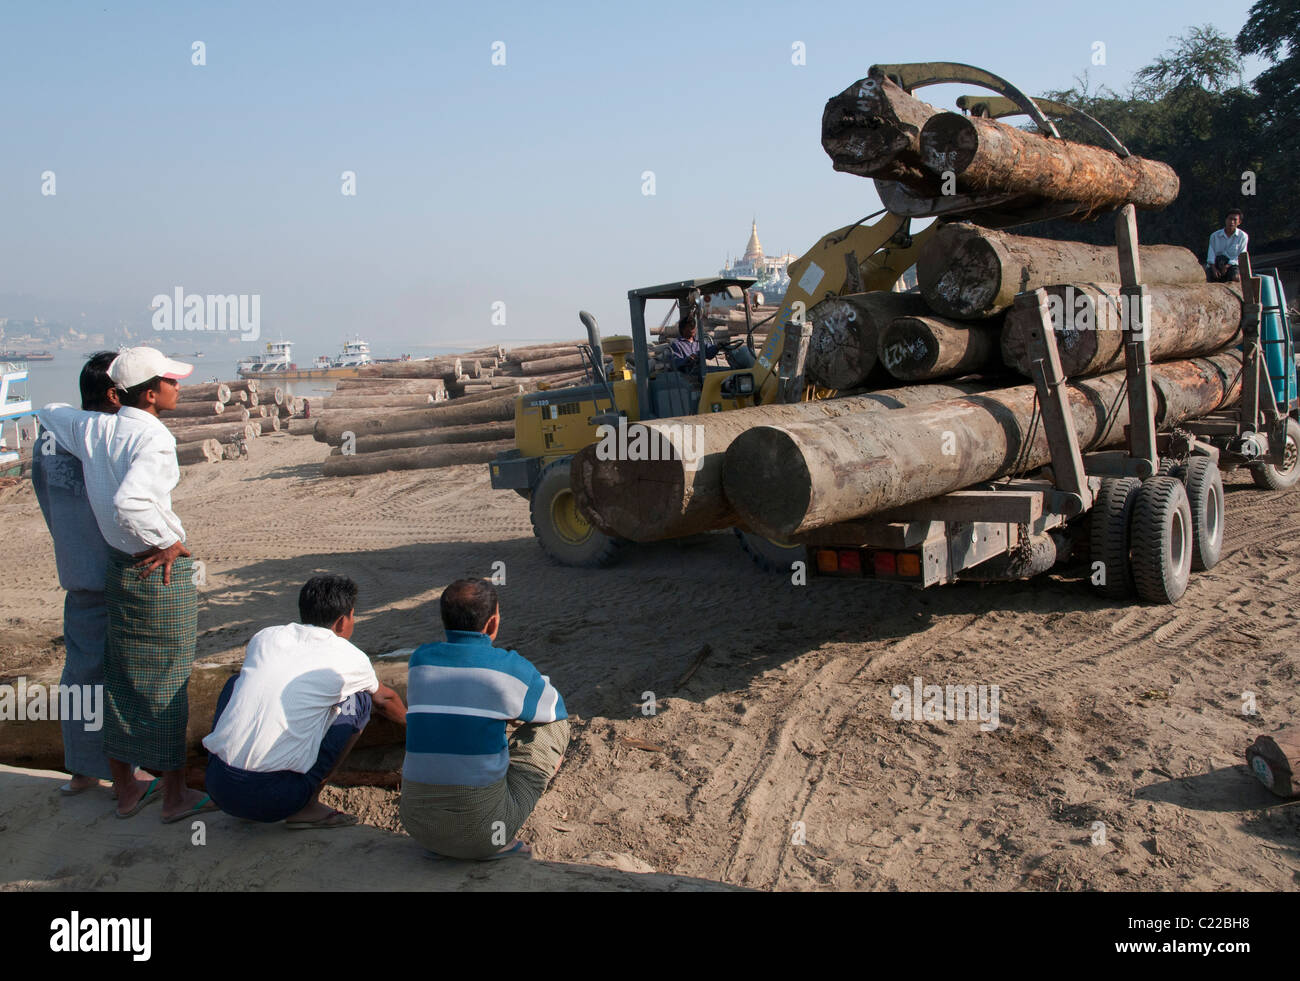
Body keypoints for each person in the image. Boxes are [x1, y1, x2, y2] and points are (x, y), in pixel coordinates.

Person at [36, 346, 212, 823]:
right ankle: (161, 790)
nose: (178, 388)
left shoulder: (75, 431)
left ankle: (100, 779)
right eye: (170, 382)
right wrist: (169, 540)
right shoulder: (136, 437)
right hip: (138, 568)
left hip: (89, 573)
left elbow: (49, 411)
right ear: (132, 393)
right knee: (158, 679)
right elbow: (128, 502)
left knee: (99, 677)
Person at [203, 575, 407, 828]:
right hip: (277, 799)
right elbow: (384, 699)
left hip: (216, 785)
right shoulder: (351, 657)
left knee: (234, 684)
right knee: (360, 700)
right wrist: (415, 728)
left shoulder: (266, 636)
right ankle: (309, 804)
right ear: (343, 621)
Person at [400, 578, 569, 859]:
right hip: (484, 834)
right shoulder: (507, 667)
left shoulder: (420, 660)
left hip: (418, 826)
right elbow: (554, 708)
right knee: (555, 727)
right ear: (492, 624)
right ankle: (502, 841)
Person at [31, 352, 121, 795]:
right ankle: (131, 773)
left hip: (77, 570)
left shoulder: (47, 438)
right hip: (117, 572)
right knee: (130, 674)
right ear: (114, 392)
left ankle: (82, 770)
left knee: (81, 673)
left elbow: (49, 501)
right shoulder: (106, 435)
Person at [1206, 209, 1248, 283]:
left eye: (1235, 220)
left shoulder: (1243, 236)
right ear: (1226, 220)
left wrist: (1227, 266)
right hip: (1216, 264)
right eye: (1230, 219)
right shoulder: (1215, 236)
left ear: (1239, 222)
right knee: (1206, 279)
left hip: (1232, 265)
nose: (1232, 222)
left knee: (1236, 278)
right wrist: (1213, 268)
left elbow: (1241, 255)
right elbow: (1211, 253)